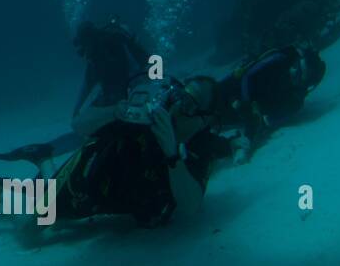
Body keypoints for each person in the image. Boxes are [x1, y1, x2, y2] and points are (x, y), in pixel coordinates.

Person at [51, 77, 233, 228]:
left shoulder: (202, 145)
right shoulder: (148, 117)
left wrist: (172, 155)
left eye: (190, 106)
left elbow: (191, 206)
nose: (178, 109)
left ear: (206, 121)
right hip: (87, 189)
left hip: (128, 207)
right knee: (32, 224)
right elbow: (79, 125)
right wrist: (115, 112)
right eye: (180, 98)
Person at [214, 45, 326, 156]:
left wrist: (254, 120)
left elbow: (268, 121)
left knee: (216, 122)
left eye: (300, 77)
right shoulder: (279, 58)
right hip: (235, 89)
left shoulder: (295, 102)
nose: (293, 73)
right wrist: (246, 104)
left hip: (243, 114)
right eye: (297, 68)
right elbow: (247, 75)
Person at [71, 17, 151, 135]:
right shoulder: (94, 57)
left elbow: (137, 67)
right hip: (115, 95)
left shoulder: (115, 41)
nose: (84, 52)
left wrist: (138, 91)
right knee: (80, 124)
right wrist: (77, 109)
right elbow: (88, 84)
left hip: (132, 91)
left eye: (84, 45)